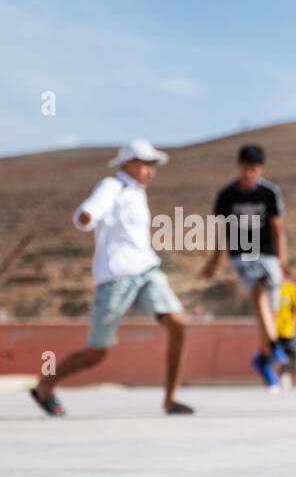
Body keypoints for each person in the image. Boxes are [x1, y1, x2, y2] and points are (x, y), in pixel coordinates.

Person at [30, 140, 193, 416]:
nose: (150, 170)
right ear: (126, 163)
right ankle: (45, 385)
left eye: (153, 165)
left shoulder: (138, 193)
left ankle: (170, 399)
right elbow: (89, 211)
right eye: (145, 163)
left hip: (146, 271)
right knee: (97, 353)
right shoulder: (111, 187)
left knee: (177, 323)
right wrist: (85, 217)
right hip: (116, 278)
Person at [201, 144, 288, 390]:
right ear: (238, 166)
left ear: (261, 169)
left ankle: (262, 360)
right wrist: (215, 260)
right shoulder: (227, 195)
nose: (250, 173)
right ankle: (274, 347)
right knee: (258, 291)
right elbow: (221, 230)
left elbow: (278, 229)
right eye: (246, 168)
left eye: (255, 169)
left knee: (268, 316)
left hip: (269, 254)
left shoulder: (270, 192)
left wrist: (282, 261)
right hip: (242, 253)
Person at [274, 272, 296, 389]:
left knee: (293, 357)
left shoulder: (291, 288)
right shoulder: (270, 287)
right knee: (276, 355)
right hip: (274, 329)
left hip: (288, 329)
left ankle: (286, 376)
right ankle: (277, 378)